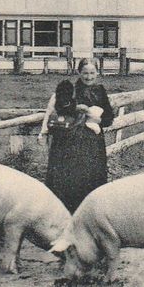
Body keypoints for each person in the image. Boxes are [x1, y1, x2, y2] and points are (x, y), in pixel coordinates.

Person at [38, 58, 114, 212]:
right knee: (70, 178)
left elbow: (109, 117)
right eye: (85, 73)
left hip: (93, 143)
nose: (89, 77)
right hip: (70, 142)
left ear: (97, 73)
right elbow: (60, 107)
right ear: (79, 72)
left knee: (91, 177)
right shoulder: (69, 88)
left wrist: (100, 119)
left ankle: (89, 213)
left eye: (92, 73)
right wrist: (77, 108)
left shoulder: (100, 90)